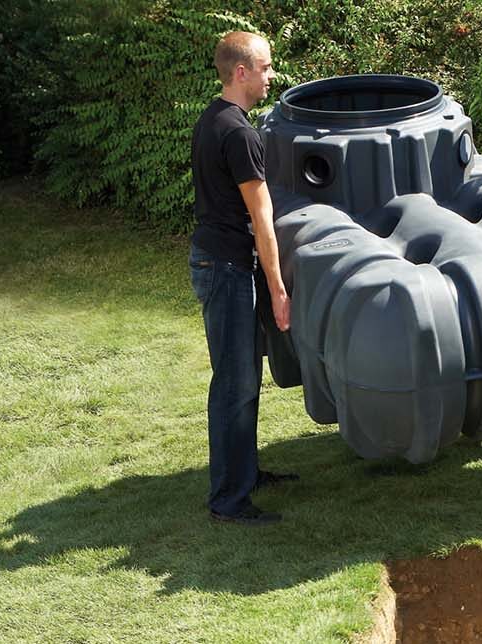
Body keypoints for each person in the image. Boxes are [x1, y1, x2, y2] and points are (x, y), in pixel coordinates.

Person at [189, 31, 298, 526]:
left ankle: (246, 473)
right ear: (241, 72)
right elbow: (262, 219)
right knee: (234, 383)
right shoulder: (238, 133)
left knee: (243, 378)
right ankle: (229, 500)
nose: (270, 76)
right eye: (265, 67)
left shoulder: (213, 120)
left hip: (218, 261)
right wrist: (278, 289)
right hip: (228, 268)